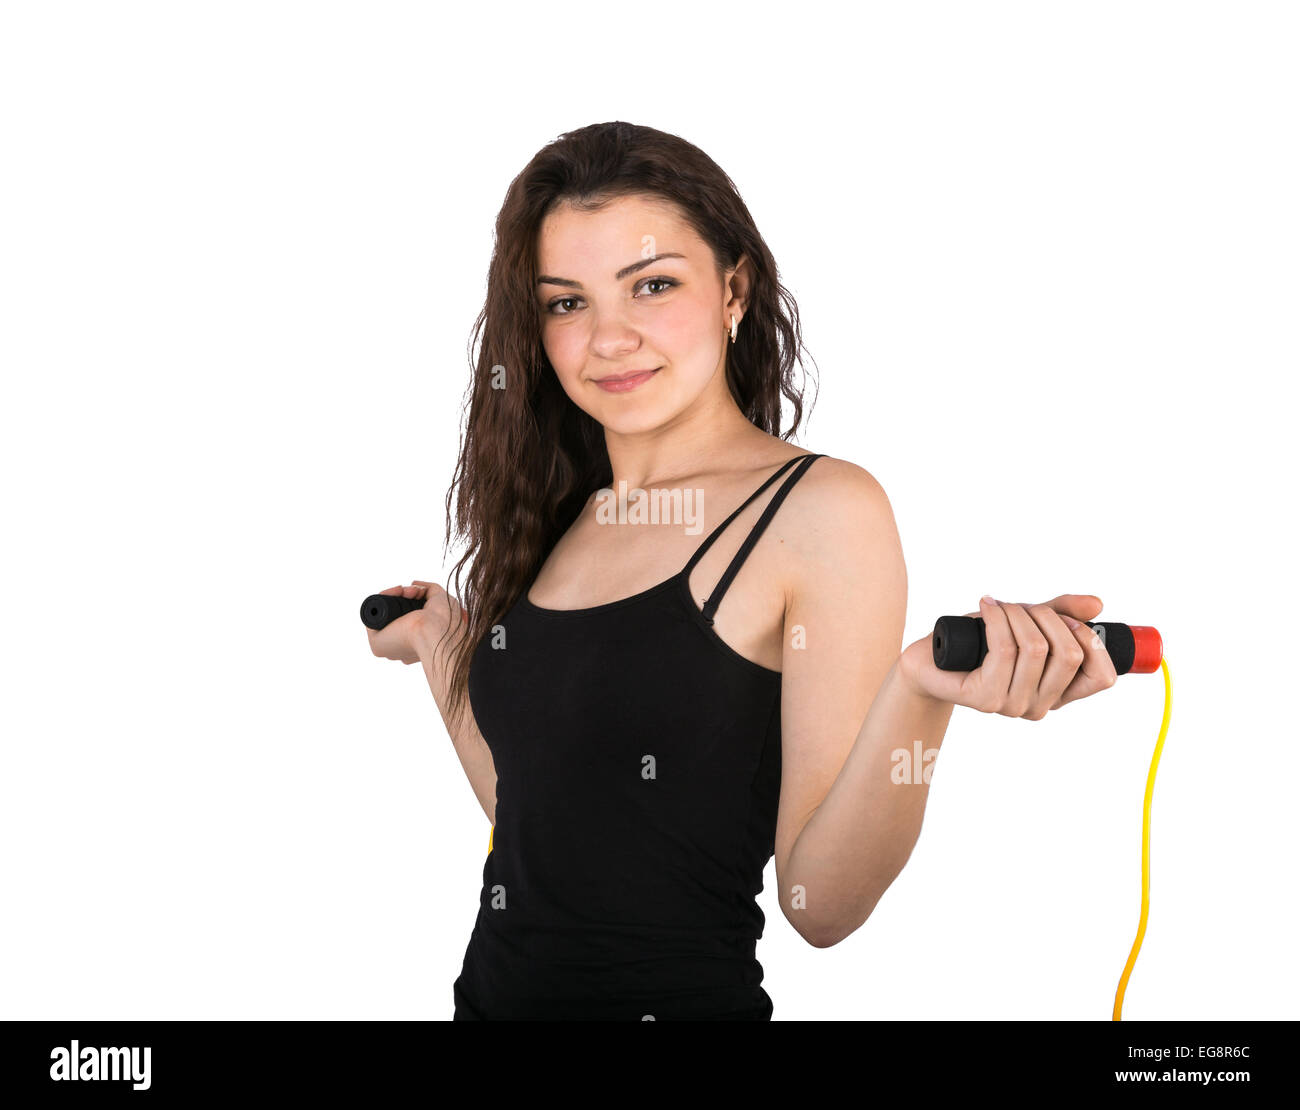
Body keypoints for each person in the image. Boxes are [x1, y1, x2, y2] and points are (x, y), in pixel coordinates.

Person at [366, 121, 1118, 1020]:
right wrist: (446, 645)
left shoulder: (819, 511)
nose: (609, 338)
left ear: (735, 289)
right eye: (567, 303)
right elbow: (541, 815)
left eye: (652, 286)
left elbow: (821, 907)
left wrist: (920, 694)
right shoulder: (563, 510)